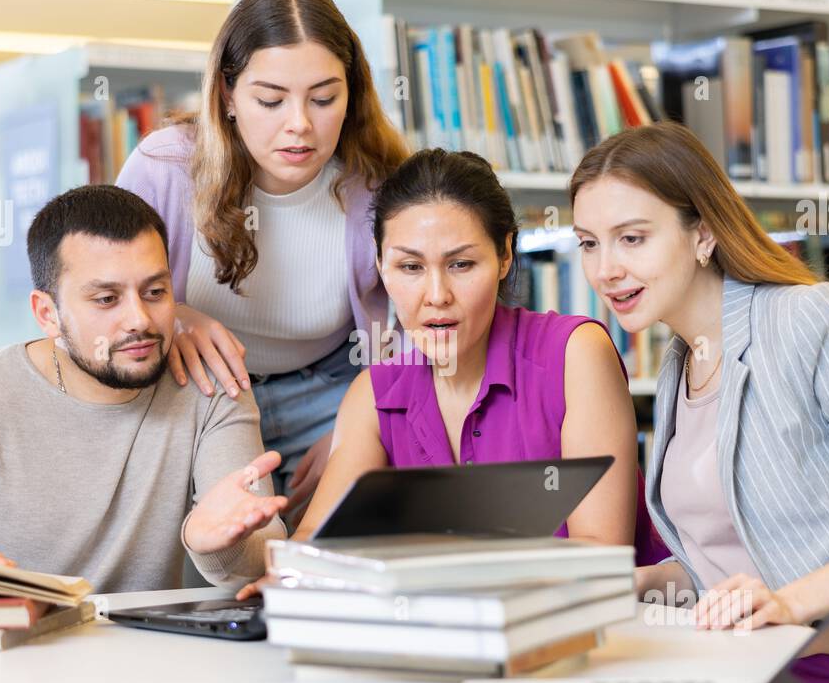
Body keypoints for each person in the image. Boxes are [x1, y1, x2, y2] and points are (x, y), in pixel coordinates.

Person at [570, 121, 829, 683]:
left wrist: (787, 602)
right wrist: (644, 584)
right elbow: (732, 562)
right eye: (589, 243)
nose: (605, 270)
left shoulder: (811, 318)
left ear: (701, 233)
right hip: (737, 662)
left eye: (631, 238)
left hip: (827, 667)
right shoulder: (681, 361)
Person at [238, 148, 669, 600]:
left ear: (504, 256)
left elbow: (598, 559)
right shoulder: (376, 395)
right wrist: (283, 581)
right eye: (410, 267)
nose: (436, 295)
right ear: (381, 266)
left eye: (461, 265)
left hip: (605, 643)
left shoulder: (574, 355)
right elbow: (315, 551)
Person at [0, 185, 286, 593]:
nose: (140, 321)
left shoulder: (211, 384)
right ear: (47, 314)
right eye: (106, 299)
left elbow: (263, 564)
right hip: (4, 670)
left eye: (154, 292)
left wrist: (217, 546)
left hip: (144, 672)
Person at [117, 0, 409, 527]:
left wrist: (360, 430)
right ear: (227, 95)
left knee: (334, 559)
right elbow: (102, 293)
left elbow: (421, 324)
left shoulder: (377, 182)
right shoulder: (163, 168)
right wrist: (173, 315)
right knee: (227, 554)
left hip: (329, 395)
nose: (299, 123)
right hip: (195, 395)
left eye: (324, 98)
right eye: (270, 100)